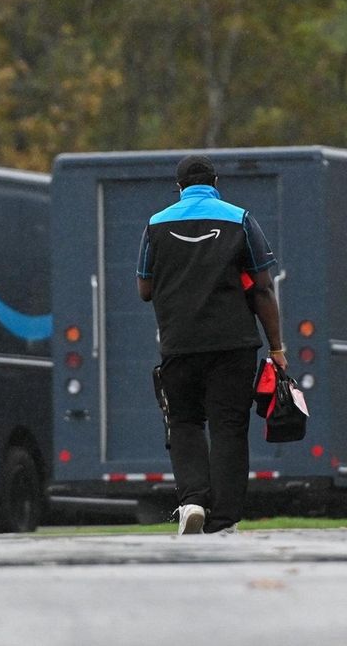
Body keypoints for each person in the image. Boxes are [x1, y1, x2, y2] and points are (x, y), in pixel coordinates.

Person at [136, 154, 287, 535]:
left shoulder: (155, 224)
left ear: (179, 187)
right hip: (233, 345)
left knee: (184, 422)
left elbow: (144, 289)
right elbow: (264, 288)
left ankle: (192, 502)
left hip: (178, 344)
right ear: (216, 182)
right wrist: (277, 348)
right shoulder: (239, 219)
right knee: (229, 427)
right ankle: (223, 520)